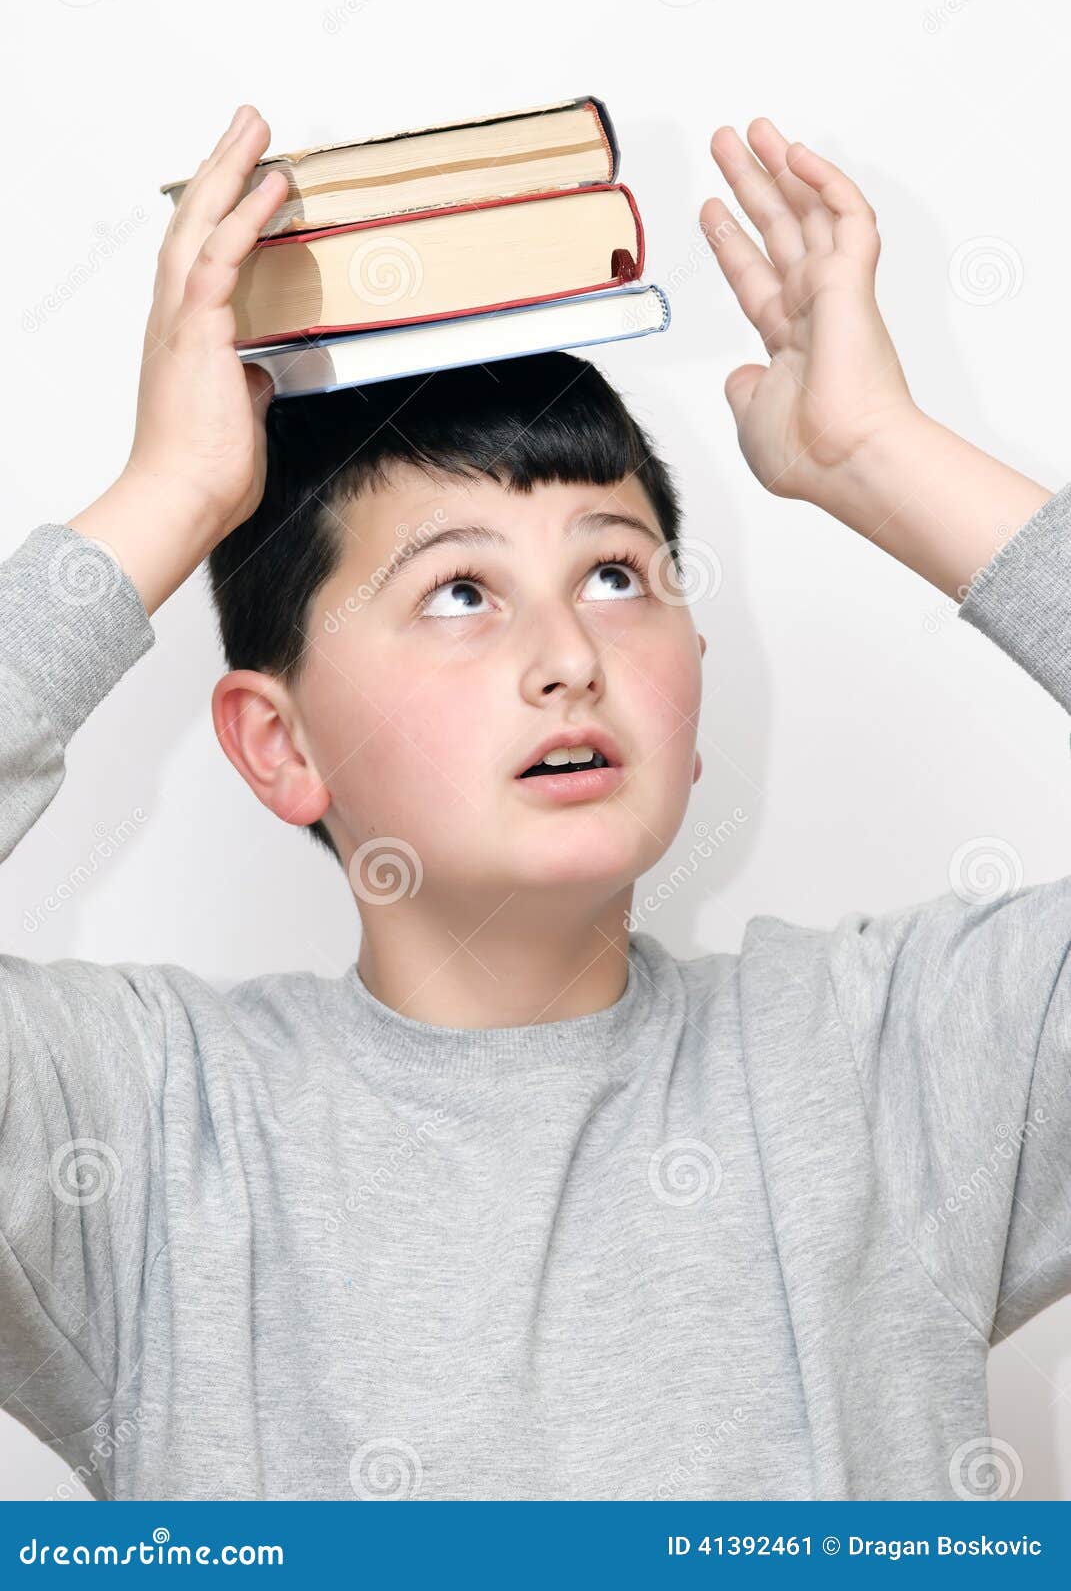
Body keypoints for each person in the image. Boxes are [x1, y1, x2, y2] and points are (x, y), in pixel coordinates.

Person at [0, 105, 1066, 1502]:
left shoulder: (912, 1066)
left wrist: (879, 457)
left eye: (618, 574)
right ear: (279, 745)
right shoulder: (130, 1132)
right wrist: (169, 492)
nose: (571, 657)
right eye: (460, 591)